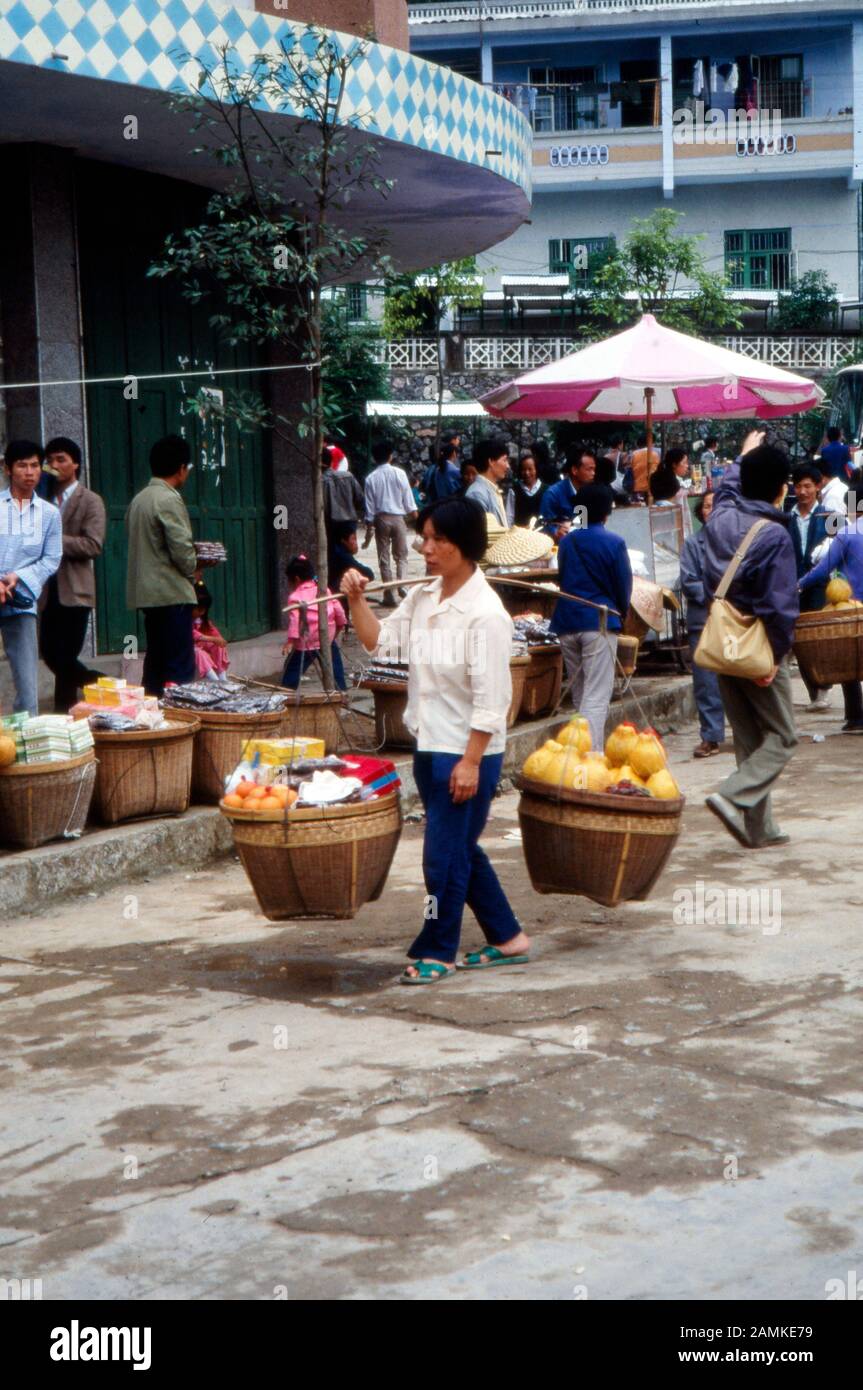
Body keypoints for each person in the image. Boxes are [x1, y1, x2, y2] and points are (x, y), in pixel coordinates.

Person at [341, 497, 529, 984]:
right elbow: (379, 643)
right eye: (424, 537)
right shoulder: (425, 597)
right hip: (430, 746)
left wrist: (469, 762)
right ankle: (508, 937)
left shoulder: (486, 615)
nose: (425, 548)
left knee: (441, 856)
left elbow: (492, 701)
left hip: (470, 754)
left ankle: (439, 947)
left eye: (436, 539)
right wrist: (356, 599)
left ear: (464, 546)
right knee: (460, 848)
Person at [702, 444, 799, 848]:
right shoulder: (774, 534)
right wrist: (775, 656)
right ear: (781, 489)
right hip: (756, 643)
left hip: (720, 641)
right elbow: (778, 605)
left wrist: (744, 453)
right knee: (782, 736)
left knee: (747, 735)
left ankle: (760, 828)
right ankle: (731, 794)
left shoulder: (720, 515)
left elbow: (727, 486)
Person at [551, 484, 632, 751]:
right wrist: (622, 615)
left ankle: (577, 752)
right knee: (596, 697)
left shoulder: (567, 542)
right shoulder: (614, 542)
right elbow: (623, 587)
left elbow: (563, 578)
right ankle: (590, 756)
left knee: (580, 694)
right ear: (607, 513)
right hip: (599, 621)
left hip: (567, 621)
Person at [37, 436, 107, 712]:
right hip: (47, 589)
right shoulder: (42, 499)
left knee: (63, 656)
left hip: (76, 592)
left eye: (61, 459)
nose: (54, 465)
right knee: (50, 655)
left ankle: (95, 688)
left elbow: (93, 544)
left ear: (75, 463)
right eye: (50, 460)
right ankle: (75, 704)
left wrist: (54, 539)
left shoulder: (90, 501)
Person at [126, 434, 198, 698]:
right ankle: (179, 726)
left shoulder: (140, 499)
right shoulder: (168, 499)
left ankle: (155, 726)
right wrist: (195, 565)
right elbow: (182, 550)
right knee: (179, 670)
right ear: (181, 469)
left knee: (155, 666)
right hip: (171, 593)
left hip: (149, 595)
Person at [0, 440, 63, 715]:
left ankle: (28, 743)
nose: (29, 472)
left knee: (27, 681)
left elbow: (51, 558)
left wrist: (18, 577)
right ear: (7, 469)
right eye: (22, 465)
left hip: (21, 599)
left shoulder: (49, 514)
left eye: (35, 465)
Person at [798, 495, 863, 732]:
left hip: (851, 607)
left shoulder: (847, 534)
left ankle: (856, 717)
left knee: (851, 659)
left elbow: (825, 567)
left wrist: (799, 584)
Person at [679, 492, 725, 757]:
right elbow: (688, 581)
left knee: (739, 677)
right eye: (707, 506)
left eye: (716, 505)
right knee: (706, 682)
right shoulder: (693, 544)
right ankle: (711, 736)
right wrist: (714, 597)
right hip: (703, 620)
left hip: (734, 620)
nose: (711, 510)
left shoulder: (735, 543)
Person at [788, 465, 834, 712]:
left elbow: (841, 549)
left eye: (807, 486)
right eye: (798, 486)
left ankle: (823, 690)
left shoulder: (830, 515)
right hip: (791, 587)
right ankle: (813, 691)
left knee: (818, 640)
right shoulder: (787, 517)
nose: (803, 491)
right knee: (799, 642)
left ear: (818, 487)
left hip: (820, 586)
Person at [363, 439, 417, 608]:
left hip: (381, 519)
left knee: (384, 557)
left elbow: (369, 507)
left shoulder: (370, 478)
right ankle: (403, 585)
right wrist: (414, 514)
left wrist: (369, 527)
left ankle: (389, 594)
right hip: (398, 517)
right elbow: (408, 498)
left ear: (374, 458)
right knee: (401, 556)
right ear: (390, 456)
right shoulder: (399, 474)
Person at [281, 554, 348, 691]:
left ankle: (286, 693)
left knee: (292, 670)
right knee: (335, 669)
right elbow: (338, 610)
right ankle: (341, 692)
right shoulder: (324, 590)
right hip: (327, 638)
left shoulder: (295, 597)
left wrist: (290, 641)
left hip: (306, 642)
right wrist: (340, 626)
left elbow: (295, 620)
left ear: (296, 580)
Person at [539, 447, 597, 539]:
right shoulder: (552, 494)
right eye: (589, 469)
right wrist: (556, 532)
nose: (593, 473)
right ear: (574, 470)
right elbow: (544, 525)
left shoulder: (591, 492)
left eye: (594, 469)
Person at [464, 437, 511, 529]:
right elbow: (479, 532)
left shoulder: (490, 489)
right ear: (491, 462)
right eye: (504, 460)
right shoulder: (477, 493)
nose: (508, 466)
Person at [322, 446, 364, 547]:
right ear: (331, 462)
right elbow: (359, 498)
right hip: (349, 521)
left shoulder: (320, 481)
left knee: (333, 550)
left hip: (330, 523)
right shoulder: (348, 476)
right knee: (348, 550)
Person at [191, 583, 230, 680]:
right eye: (199, 609)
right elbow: (192, 634)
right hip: (185, 649)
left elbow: (214, 633)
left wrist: (219, 639)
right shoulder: (183, 618)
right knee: (199, 654)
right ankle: (215, 682)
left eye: (204, 609)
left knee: (218, 646)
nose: (202, 612)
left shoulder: (201, 620)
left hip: (199, 646)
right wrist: (212, 639)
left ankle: (223, 680)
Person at [513, 452, 545, 525]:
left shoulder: (546, 490)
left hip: (541, 534)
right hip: (519, 534)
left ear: (536, 470)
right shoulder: (514, 490)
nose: (527, 473)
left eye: (530, 469)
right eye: (524, 470)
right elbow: (510, 515)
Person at [629, 435, 660, 499]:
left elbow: (629, 470)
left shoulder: (633, 454)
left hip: (637, 488)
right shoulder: (656, 454)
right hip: (652, 488)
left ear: (638, 444)